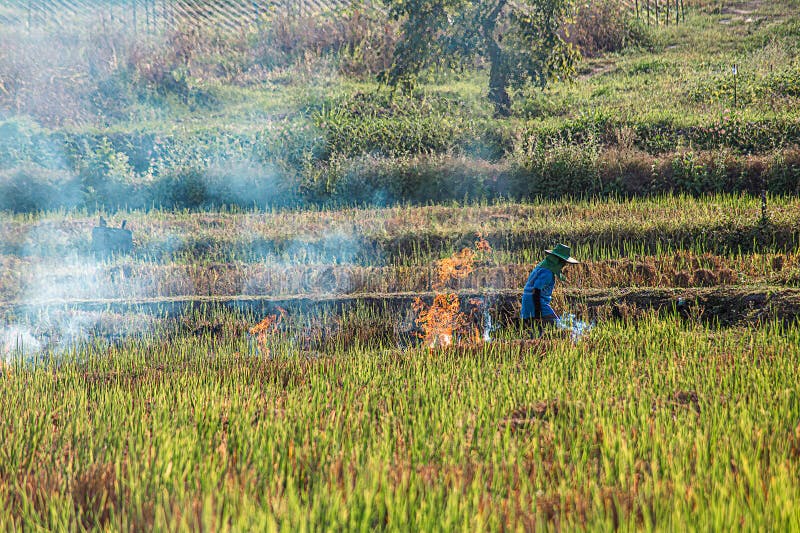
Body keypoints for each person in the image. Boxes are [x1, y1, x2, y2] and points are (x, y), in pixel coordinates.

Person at [520, 244, 579, 337]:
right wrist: (538, 313)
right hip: (537, 303)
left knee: (534, 331)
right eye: (563, 262)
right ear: (558, 261)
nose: (564, 265)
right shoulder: (547, 273)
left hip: (527, 301)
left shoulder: (541, 268)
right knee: (556, 326)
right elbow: (536, 290)